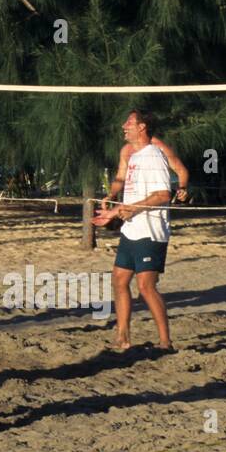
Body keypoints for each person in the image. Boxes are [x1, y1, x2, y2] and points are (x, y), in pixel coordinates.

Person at [92, 109, 174, 350]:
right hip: (131, 230)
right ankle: (123, 336)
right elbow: (129, 195)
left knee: (146, 287)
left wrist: (132, 209)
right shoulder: (134, 156)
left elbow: (163, 195)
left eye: (129, 122)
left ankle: (165, 342)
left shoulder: (154, 156)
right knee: (119, 280)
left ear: (142, 127)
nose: (123, 125)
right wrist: (113, 210)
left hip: (151, 231)